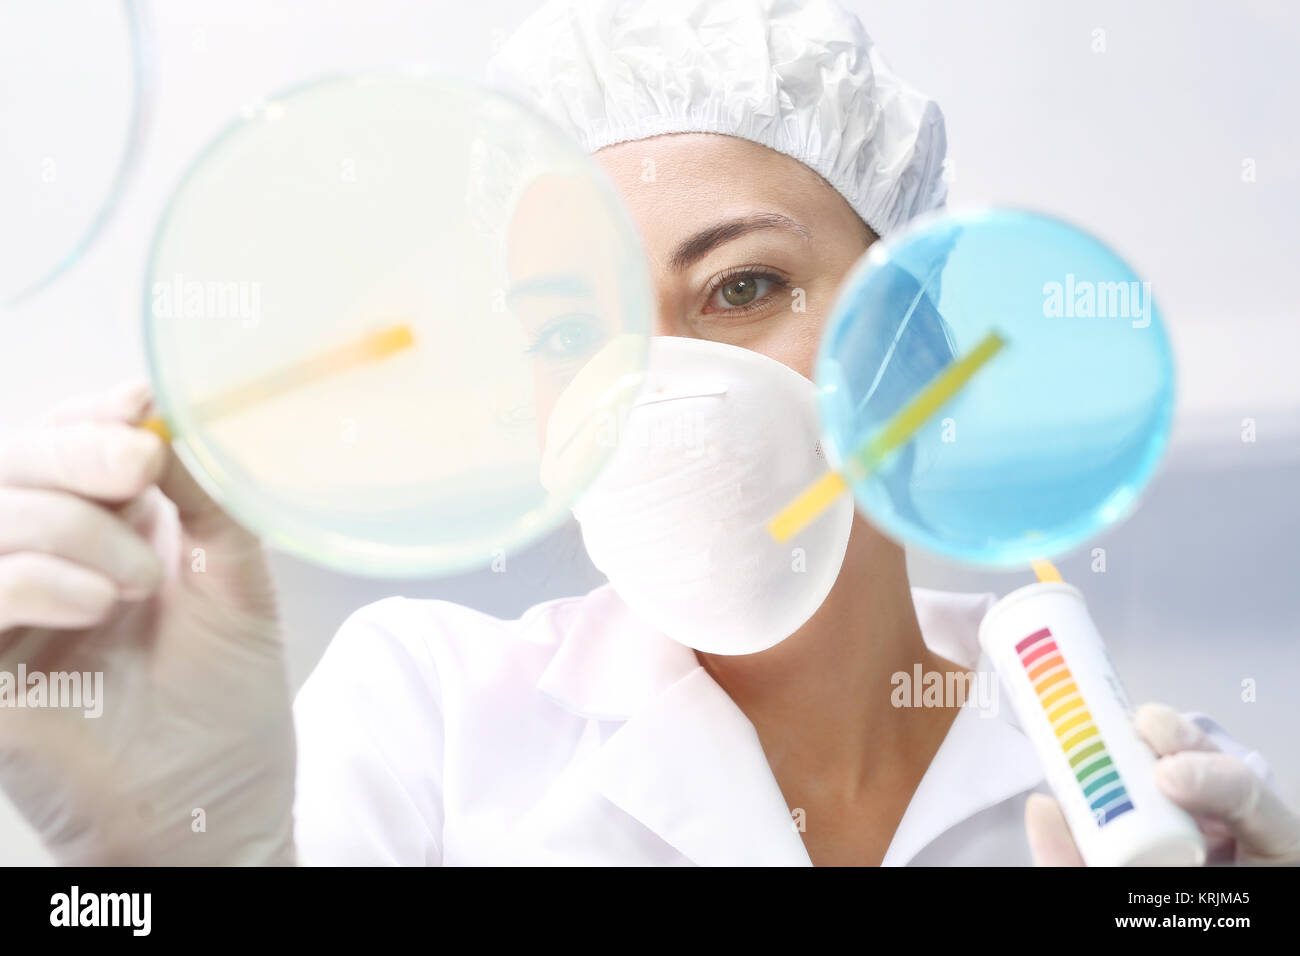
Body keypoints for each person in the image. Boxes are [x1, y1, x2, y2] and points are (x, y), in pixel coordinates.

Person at [0, 0, 1296, 866]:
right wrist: (179, 858)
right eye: (580, 331)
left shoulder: (1116, 783)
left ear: (914, 341)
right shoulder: (428, 718)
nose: (660, 381)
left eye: (742, 288)